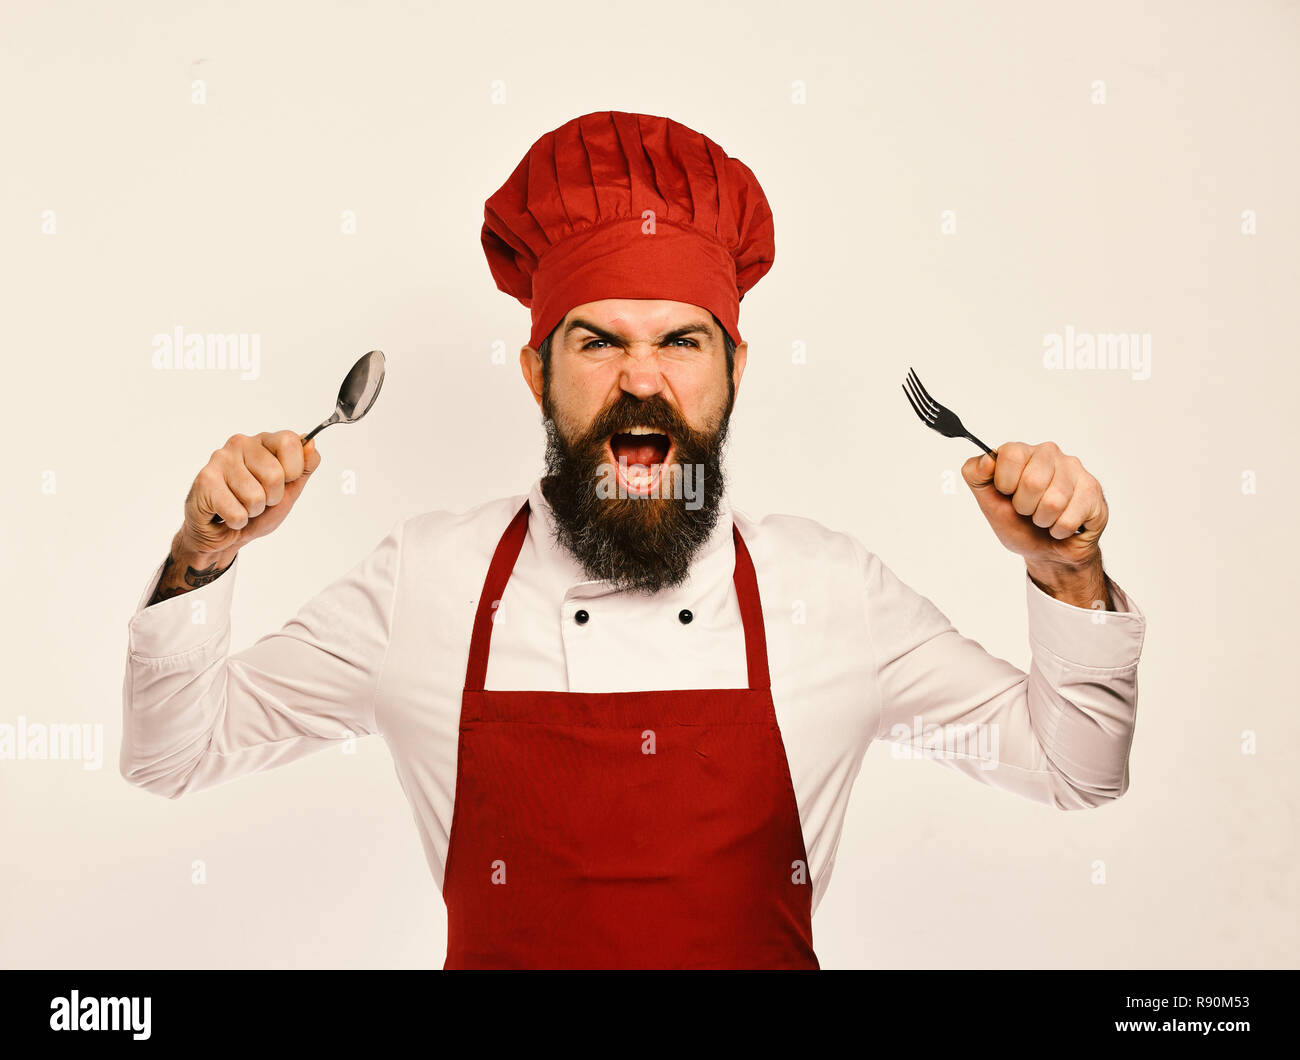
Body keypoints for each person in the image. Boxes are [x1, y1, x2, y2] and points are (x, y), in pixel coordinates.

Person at [122, 110, 1147, 970]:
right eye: (598, 339)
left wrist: (1066, 574)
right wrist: (200, 557)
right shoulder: (424, 583)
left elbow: (1073, 767)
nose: (642, 379)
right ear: (537, 372)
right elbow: (174, 754)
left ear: (733, 366)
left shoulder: (830, 591)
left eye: (680, 340)